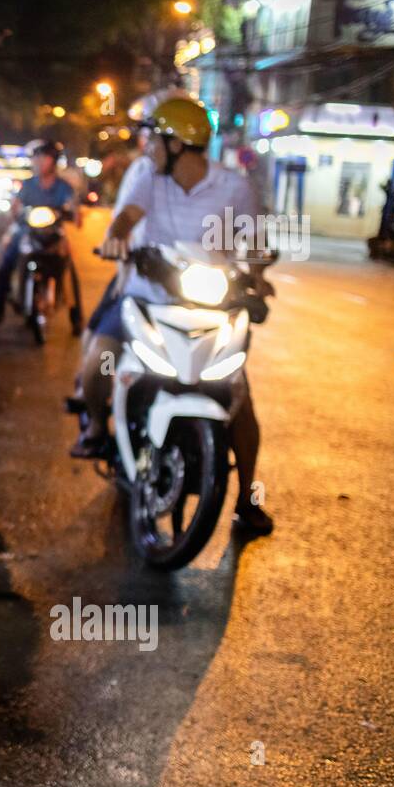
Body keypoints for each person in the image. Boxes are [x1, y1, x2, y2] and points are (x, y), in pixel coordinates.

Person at [70, 97, 274, 537]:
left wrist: (257, 276)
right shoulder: (148, 175)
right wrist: (116, 238)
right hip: (144, 293)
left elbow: (253, 238)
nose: (149, 147)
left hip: (208, 305)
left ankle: (247, 498)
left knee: (236, 393)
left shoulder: (234, 186)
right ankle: (96, 428)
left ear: (178, 144)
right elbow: (127, 216)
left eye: (156, 140)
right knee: (97, 362)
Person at [0, 139, 75, 332]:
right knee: (5, 266)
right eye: (37, 158)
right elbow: (15, 208)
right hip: (27, 233)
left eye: (45, 158)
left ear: (54, 162)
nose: (39, 162)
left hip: (53, 234)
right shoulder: (27, 185)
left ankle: (77, 317)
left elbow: (74, 209)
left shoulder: (63, 187)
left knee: (69, 266)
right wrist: (12, 219)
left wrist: (72, 213)